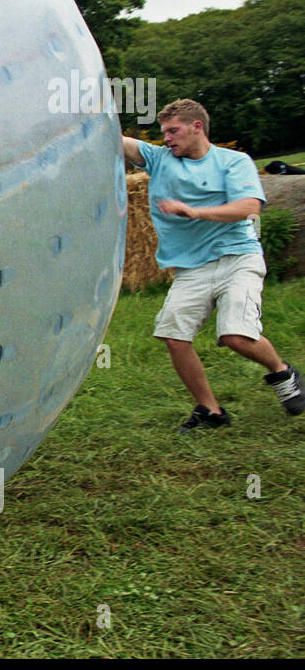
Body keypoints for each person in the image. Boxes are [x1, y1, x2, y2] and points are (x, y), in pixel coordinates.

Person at [121, 98, 304, 431]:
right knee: (175, 338)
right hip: (191, 269)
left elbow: (249, 207)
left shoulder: (233, 162)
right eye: (164, 132)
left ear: (197, 127)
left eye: (174, 131)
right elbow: (115, 141)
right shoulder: (159, 159)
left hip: (237, 258)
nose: (168, 139)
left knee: (235, 336)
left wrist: (195, 212)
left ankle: (282, 371)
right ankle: (211, 411)